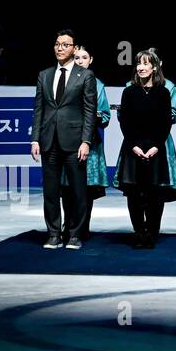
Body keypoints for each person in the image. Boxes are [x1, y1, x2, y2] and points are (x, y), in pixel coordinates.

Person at [31, 29, 97, 250]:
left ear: (74, 48)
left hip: (74, 141)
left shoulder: (86, 76)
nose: (60, 48)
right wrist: (35, 139)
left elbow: (90, 111)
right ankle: (53, 233)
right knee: (50, 191)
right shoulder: (44, 75)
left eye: (65, 44)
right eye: (57, 44)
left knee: (78, 191)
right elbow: (38, 109)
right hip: (49, 141)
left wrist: (86, 141)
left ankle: (75, 233)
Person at [114, 50, 176, 249]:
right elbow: (124, 121)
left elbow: (165, 123)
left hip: (155, 150)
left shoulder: (163, 92)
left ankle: (151, 233)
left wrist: (156, 146)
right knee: (134, 194)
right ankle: (139, 232)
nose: (141, 67)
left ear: (155, 67)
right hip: (133, 149)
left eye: (145, 63)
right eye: (138, 64)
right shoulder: (129, 91)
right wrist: (132, 144)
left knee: (154, 195)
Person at [64, 44, 111, 243]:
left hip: (90, 144)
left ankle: (82, 226)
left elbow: (105, 116)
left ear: (91, 60)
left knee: (85, 189)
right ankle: (68, 225)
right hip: (66, 141)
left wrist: (94, 117)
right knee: (66, 188)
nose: (80, 61)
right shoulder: (63, 82)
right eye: (76, 58)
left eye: (84, 57)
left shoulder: (98, 85)